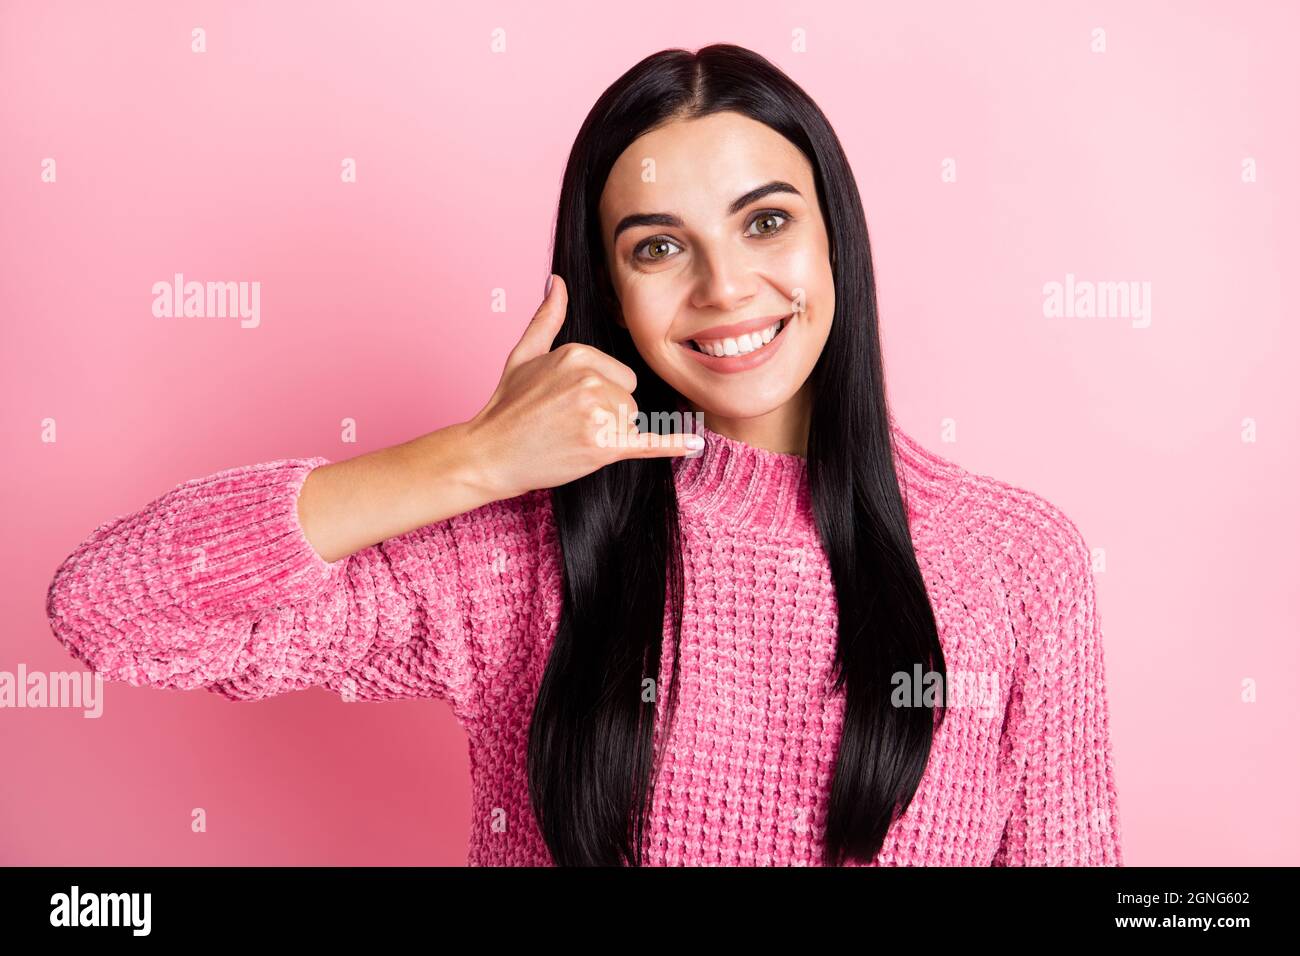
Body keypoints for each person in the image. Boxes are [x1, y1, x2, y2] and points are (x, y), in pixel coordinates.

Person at [45, 43, 1123, 867]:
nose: (724, 288)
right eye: (659, 245)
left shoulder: (1014, 558)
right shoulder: (525, 546)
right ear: (607, 289)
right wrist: (475, 458)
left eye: (764, 222)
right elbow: (111, 606)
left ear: (833, 238)